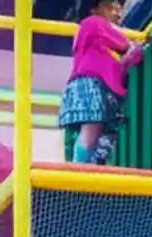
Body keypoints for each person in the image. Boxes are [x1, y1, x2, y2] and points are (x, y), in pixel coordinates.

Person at [58, 0, 143, 165]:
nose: (118, 10)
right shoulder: (93, 23)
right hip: (91, 83)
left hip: (102, 88)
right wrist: (132, 46)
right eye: (111, 4)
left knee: (103, 135)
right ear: (94, 10)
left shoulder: (103, 49)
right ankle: (79, 169)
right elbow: (122, 42)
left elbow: (125, 61)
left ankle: (89, 166)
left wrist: (133, 54)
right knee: (91, 129)